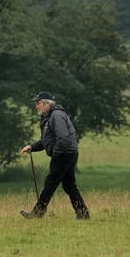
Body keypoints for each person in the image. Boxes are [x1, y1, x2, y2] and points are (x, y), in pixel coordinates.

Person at [20, 91, 90, 219]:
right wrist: (32, 147)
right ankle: (83, 214)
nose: (36, 106)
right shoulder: (49, 117)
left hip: (64, 154)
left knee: (50, 183)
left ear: (47, 103)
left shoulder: (56, 116)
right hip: (68, 153)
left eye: (39, 103)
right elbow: (45, 141)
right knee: (69, 186)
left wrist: (56, 153)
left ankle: (37, 213)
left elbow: (63, 138)